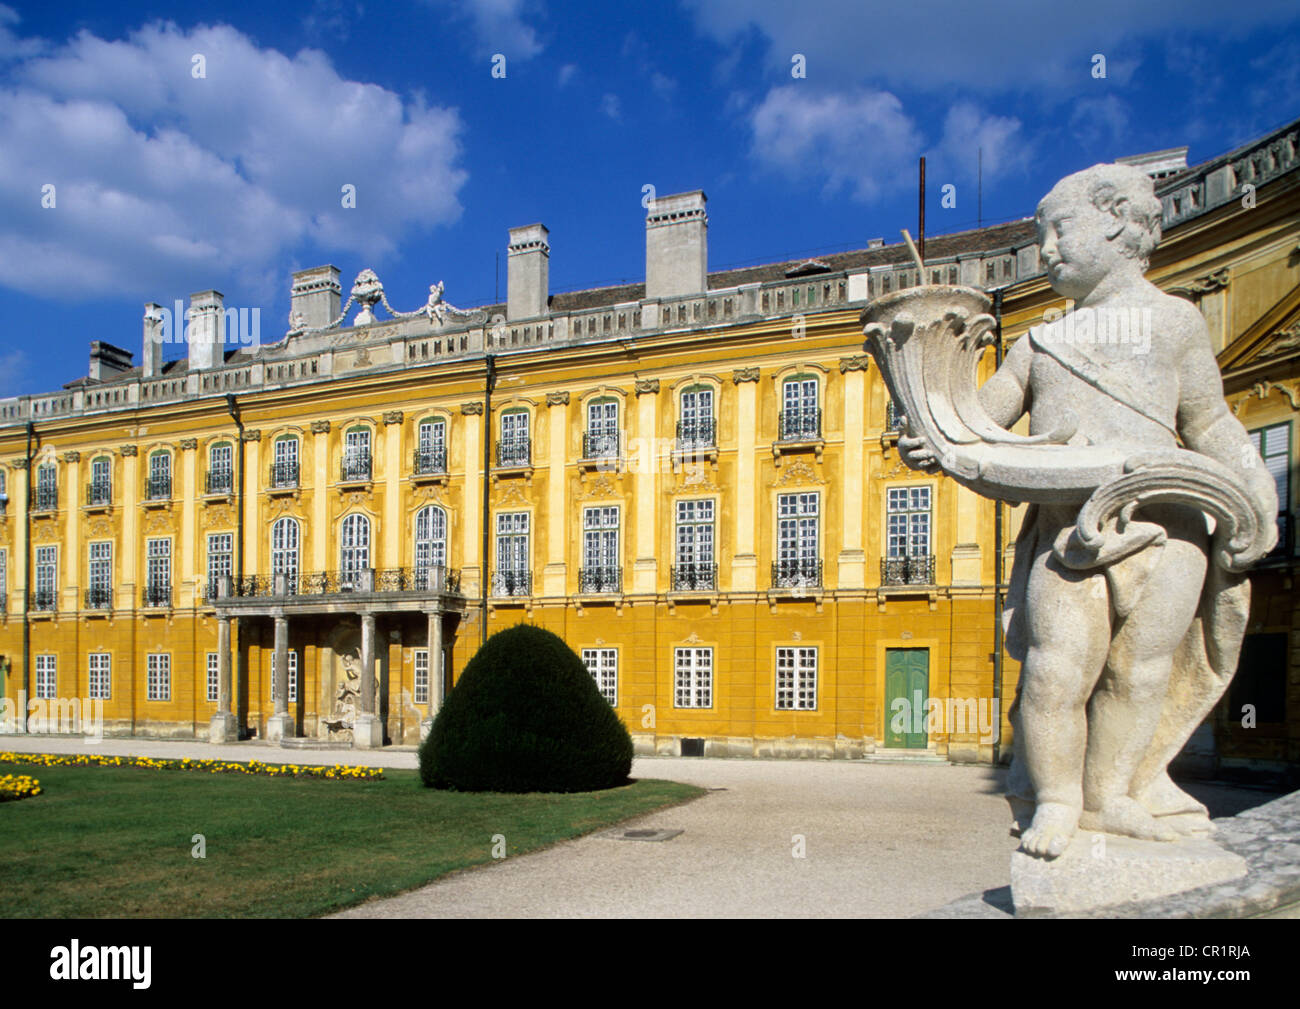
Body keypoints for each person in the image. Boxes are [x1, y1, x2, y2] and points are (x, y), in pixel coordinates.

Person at [900, 163, 1277, 858]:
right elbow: (980, 422)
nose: (1044, 249)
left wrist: (1257, 487)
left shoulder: (1174, 323)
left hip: (1171, 522)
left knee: (1142, 669)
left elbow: (1213, 423)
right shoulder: (1039, 343)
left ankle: (1111, 793)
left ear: (1114, 221)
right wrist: (935, 432)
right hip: (1070, 529)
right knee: (1055, 666)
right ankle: (1057, 800)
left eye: (1057, 230)